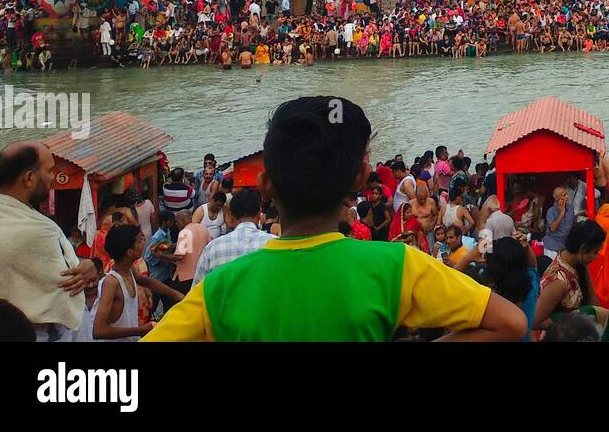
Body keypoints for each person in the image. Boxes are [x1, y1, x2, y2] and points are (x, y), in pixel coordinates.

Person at [144, 96, 525, 341]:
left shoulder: (221, 289)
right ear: (361, 179)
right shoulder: (395, 267)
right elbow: (510, 323)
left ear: (264, 186)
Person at [0, 142, 96, 341]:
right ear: (29, 178)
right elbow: (70, 290)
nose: (53, 177)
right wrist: (88, 268)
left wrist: (86, 265)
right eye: (50, 170)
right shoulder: (38, 232)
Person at [534, 220, 609, 333]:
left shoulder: (578, 263)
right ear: (583, 249)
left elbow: (591, 297)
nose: (597, 256)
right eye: (596, 252)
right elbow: (536, 321)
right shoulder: (558, 282)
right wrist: (576, 322)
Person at [191, 188, 273, 286]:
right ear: (259, 213)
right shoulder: (274, 244)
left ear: (231, 214)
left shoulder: (212, 248)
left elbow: (197, 290)